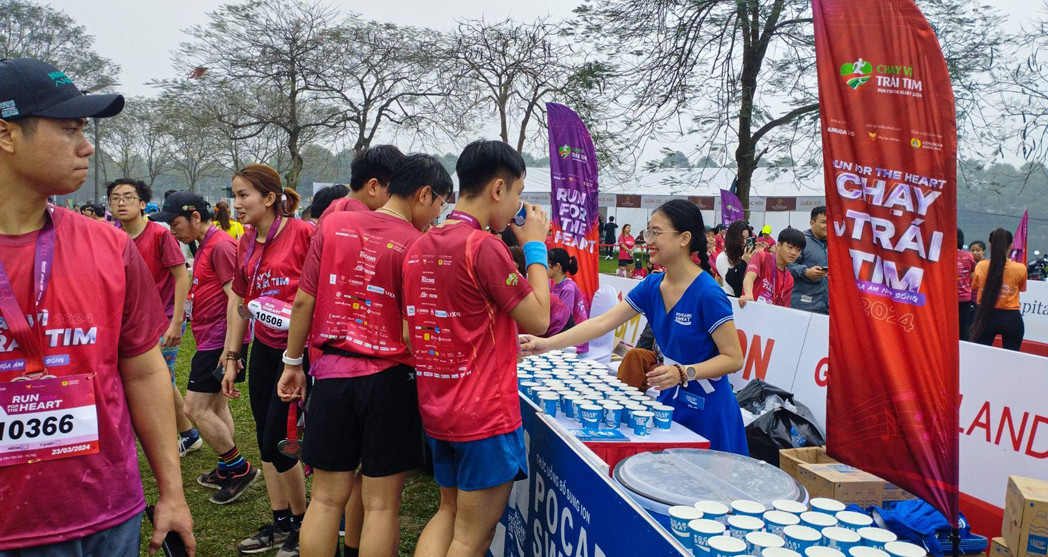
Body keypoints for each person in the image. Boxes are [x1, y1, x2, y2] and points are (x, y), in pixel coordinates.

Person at [0, 57, 194, 555]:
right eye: (69, 130)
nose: (86, 146)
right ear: (5, 135)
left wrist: (171, 492)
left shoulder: (109, 246)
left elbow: (145, 373)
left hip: (110, 517)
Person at [277, 154, 451, 557]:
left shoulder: (332, 224)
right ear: (424, 193)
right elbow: (414, 330)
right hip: (391, 384)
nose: (438, 214)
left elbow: (304, 301)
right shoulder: (418, 244)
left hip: (333, 378)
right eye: (440, 203)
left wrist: (292, 363)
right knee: (381, 506)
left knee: (324, 501)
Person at [403, 140, 551, 557]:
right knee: (472, 538)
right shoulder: (483, 246)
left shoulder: (422, 243)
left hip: (438, 408)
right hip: (483, 417)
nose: (519, 206)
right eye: (519, 194)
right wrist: (536, 245)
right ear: (498, 190)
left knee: (448, 513)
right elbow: (539, 318)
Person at [521, 199, 747, 454]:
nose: (647, 239)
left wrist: (685, 372)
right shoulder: (653, 285)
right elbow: (602, 322)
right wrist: (546, 344)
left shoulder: (708, 293)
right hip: (670, 403)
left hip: (710, 413)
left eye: (656, 232)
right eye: (648, 231)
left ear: (684, 238)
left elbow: (733, 358)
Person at [222, 164, 313, 556]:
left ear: (270, 198)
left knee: (280, 440)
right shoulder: (244, 242)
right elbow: (240, 303)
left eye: (244, 195)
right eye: (234, 195)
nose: (236, 204)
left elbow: (319, 294)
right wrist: (232, 355)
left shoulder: (304, 234)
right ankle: (280, 522)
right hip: (264, 347)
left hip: (298, 353)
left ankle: (303, 524)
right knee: (263, 440)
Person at [153, 191, 260, 504]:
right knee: (215, 407)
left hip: (219, 341)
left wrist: (231, 353)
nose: (171, 230)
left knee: (194, 409)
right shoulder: (203, 244)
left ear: (195, 218)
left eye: (174, 223)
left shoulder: (221, 245)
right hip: (211, 338)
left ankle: (239, 469)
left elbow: (238, 300)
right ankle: (227, 467)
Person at [107, 178, 199, 455]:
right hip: (130, 322)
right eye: (115, 198)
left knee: (160, 379)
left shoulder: (159, 235)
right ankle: (188, 433)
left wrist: (176, 321)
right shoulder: (112, 236)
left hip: (164, 319)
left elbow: (181, 276)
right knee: (155, 379)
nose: (121, 203)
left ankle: (176, 437)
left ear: (143, 204)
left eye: (128, 197)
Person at [970, 228, 1027, 350]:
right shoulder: (1020, 268)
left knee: (980, 356)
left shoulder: (980, 266)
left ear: (990, 245)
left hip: (985, 316)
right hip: (1011, 318)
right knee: (1012, 359)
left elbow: (974, 286)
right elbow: (1021, 288)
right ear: (1011, 245)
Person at [318, 145, 405, 223]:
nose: (396, 199)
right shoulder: (356, 215)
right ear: (373, 187)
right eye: (394, 191)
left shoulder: (337, 206)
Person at [740, 227, 806, 308]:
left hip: (769, 317)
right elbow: (749, 277)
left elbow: (783, 308)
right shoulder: (762, 257)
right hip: (749, 309)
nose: (794, 253)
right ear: (778, 245)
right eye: (790, 247)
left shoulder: (789, 279)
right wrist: (748, 294)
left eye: (798, 250)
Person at [787, 206, 829, 314]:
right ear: (812, 223)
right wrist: (806, 272)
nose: (827, 226)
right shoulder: (801, 241)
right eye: (824, 222)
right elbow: (787, 266)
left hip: (827, 309)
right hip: (803, 307)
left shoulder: (836, 244)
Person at [548, 247, 589, 353]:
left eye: (547, 263)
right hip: (565, 340)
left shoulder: (568, 288)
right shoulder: (555, 285)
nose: (543, 266)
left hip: (575, 346)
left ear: (557, 266)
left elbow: (563, 322)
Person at [717, 221, 759, 297]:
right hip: (731, 297)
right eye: (741, 238)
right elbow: (733, 282)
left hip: (749, 298)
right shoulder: (723, 257)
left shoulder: (748, 254)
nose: (744, 241)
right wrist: (744, 262)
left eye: (747, 238)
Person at [957, 228, 976, 341]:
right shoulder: (969, 256)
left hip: (946, 300)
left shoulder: (942, 255)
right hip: (964, 299)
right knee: (962, 328)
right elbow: (972, 277)